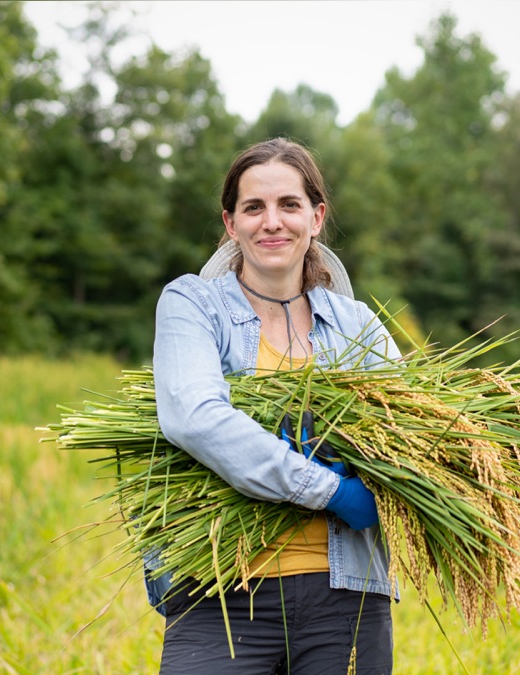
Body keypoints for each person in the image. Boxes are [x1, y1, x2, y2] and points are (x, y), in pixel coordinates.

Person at [150, 137, 402, 674]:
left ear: (316, 217)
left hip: (345, 594)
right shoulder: (193, 304)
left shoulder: (358, 326)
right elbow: (195, 416)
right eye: (253, 207)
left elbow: (411, 437)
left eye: (289, 204)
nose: (272, 222)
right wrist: (330, 490)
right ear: (230, 223)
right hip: (219, 590)